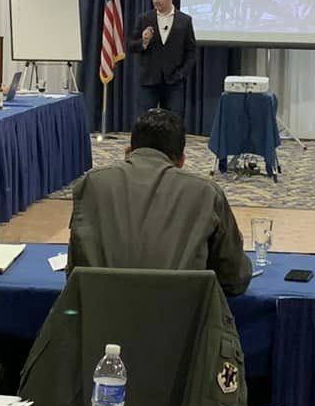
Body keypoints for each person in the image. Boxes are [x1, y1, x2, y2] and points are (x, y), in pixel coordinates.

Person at [67, 107, 250, 296]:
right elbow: (234, 279)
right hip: (181, 321)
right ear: (181, 161)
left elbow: (74, 272)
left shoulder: (91, 184)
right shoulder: (207, 192)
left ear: (128, 152)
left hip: (100, 319)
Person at [131, 0, 197, 116]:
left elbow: (191, 52)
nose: (155, 1)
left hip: (174, 83)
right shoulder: (144, 18)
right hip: (149, 81)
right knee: (144, 122)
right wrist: (143, 42)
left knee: (174, 123)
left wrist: (182, 74)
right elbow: (131, 45)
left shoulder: (184, 21)